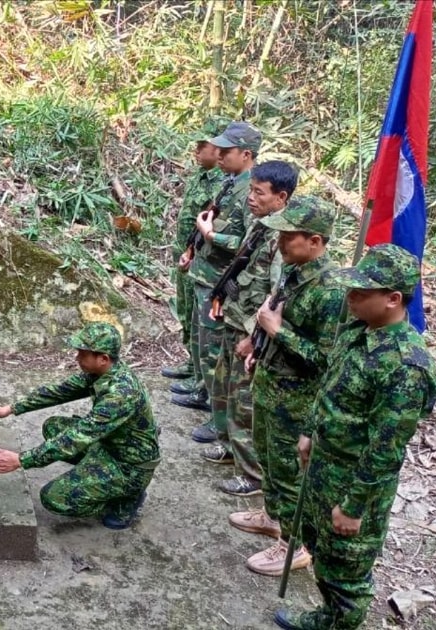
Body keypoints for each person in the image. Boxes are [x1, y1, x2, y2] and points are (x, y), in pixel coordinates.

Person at [275, 244, 436, 629]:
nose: (350, 297)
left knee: (346, 569)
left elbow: (386, 448)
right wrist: (309, 432)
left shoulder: (405, 365)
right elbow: (331, 387)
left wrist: (353, 507)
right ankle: (328, 614)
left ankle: (341, 620)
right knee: (319, 548)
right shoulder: (358, 332)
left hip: (353, 482)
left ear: (393, 299)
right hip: (323, 465)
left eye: (362, 292)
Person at [234, 198, 344, 576]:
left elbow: (326, 360)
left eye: (289, 237)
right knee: (268, 460)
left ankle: (294, 545)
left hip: (297, 398)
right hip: (271, 383)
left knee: (289, 472)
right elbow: (273, 311)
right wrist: (258, 342)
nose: (280, 242)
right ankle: (272, 516)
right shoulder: (294, 271)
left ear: (315, 241)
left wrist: (277, 331)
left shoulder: (331, 291)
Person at [0, 322, 159, 529]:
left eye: (83, 354)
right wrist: (11, 408)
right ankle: (97, 474)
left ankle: (126, 498)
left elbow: (76, 437)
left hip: (129, 465)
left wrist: (22, 460)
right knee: (53, 427)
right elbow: (60, 391)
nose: (77, 358)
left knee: (54, 498)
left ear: (103, 359)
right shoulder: (103, 373)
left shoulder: (120, 394)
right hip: (109, 445)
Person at [199, 161, 297, 500]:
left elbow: (276, 296)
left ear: (281, 196)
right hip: (233, 318)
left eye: (259, 192)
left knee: (244, 402)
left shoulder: (282, 238)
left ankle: (252, 475)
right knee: (224, 386)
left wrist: (253, 339)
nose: (251, 198)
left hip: (248, 331)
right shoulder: (260, 225)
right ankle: (228, 446)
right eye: (251, 190)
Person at [175, 121, 261, 421]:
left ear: (246, 154)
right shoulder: (229, 183)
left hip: (220, 283)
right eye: (219, 150)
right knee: (201, 345)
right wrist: (194, 248)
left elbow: (249, 243)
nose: (220, 155)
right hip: (205, 274)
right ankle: (203, 392)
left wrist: (212, 237)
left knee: (215, 353)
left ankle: (218, 416)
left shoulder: (251, 192)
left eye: (228, 150)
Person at [164, 122, 224, 398]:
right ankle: (192, 364)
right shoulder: (201, 176)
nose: (197, 151)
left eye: (203, 146)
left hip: (203, 259)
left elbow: (212, 225)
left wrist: (194, 251)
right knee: (187, 312)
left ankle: (203, 379)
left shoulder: (222, 184)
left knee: (201, 319)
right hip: (187, 254)